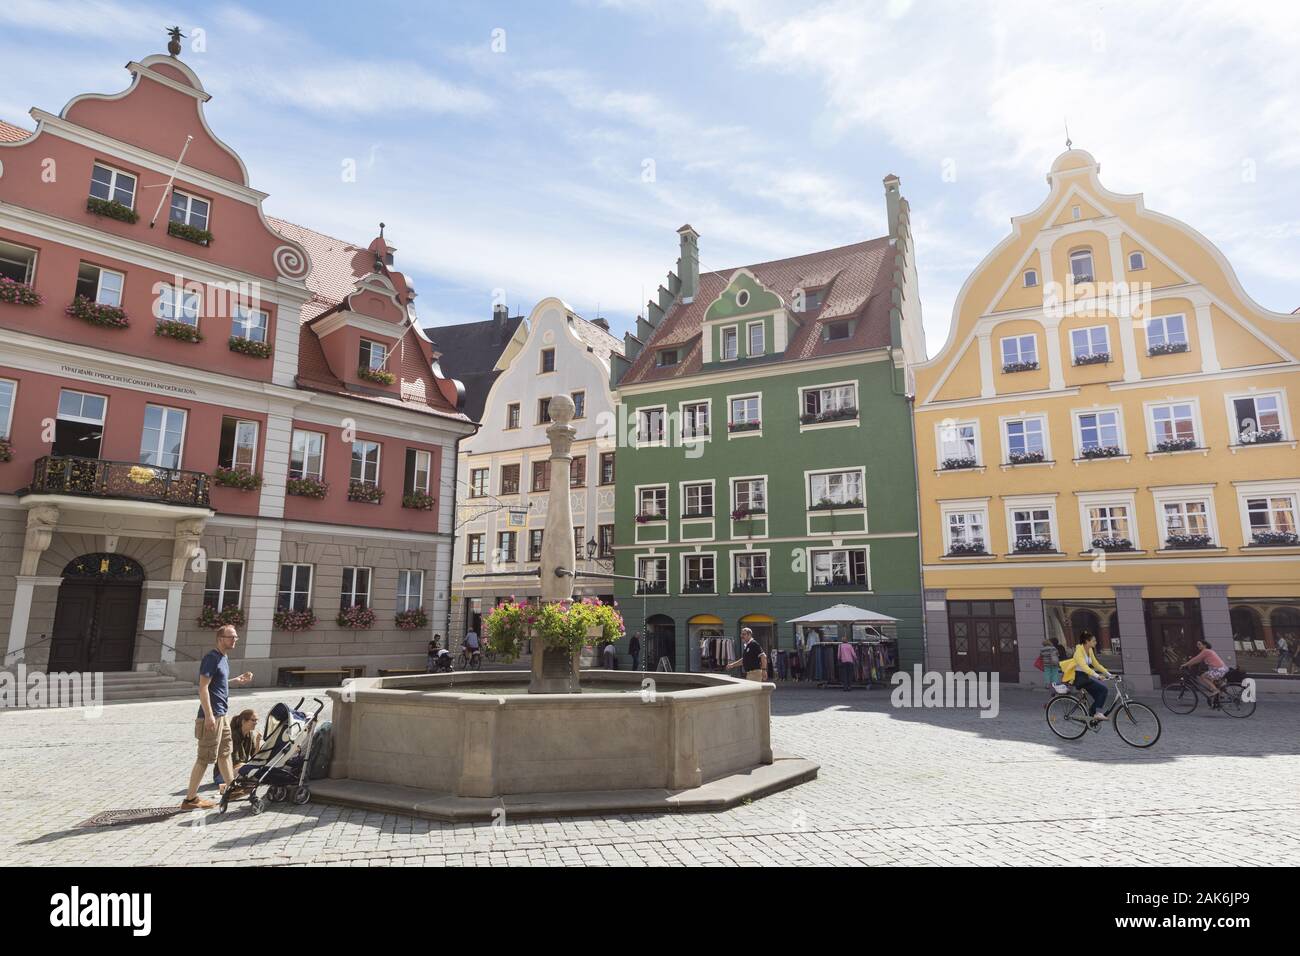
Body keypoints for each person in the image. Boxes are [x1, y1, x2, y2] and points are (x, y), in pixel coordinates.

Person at [181, 625, 253, 810]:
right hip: (211, 716)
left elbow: (217, 683)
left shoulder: (223, 658)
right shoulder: (211, 658)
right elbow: (203, 687)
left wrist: (236, 681)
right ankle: (190, 800)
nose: (235, 640)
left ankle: (232, 788)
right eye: (232, 637)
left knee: (225, 753)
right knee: (204, 758)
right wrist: (209, 715)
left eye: (236, 637)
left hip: (222, 714)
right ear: (221, 638)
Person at [1060, 631, 1112, 721]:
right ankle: (1097, 713)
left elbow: (1096, 664)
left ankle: (1090, 716)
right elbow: (1084, 667)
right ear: (1087, 641)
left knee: (1099, 696)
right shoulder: (1078, 652)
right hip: (1079, 678)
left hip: (1085, 677)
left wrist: (1109, 674)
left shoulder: (1090, 650)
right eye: (1093, 641)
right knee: (1103, 690)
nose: (1096, 642)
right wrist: (1097, 676)